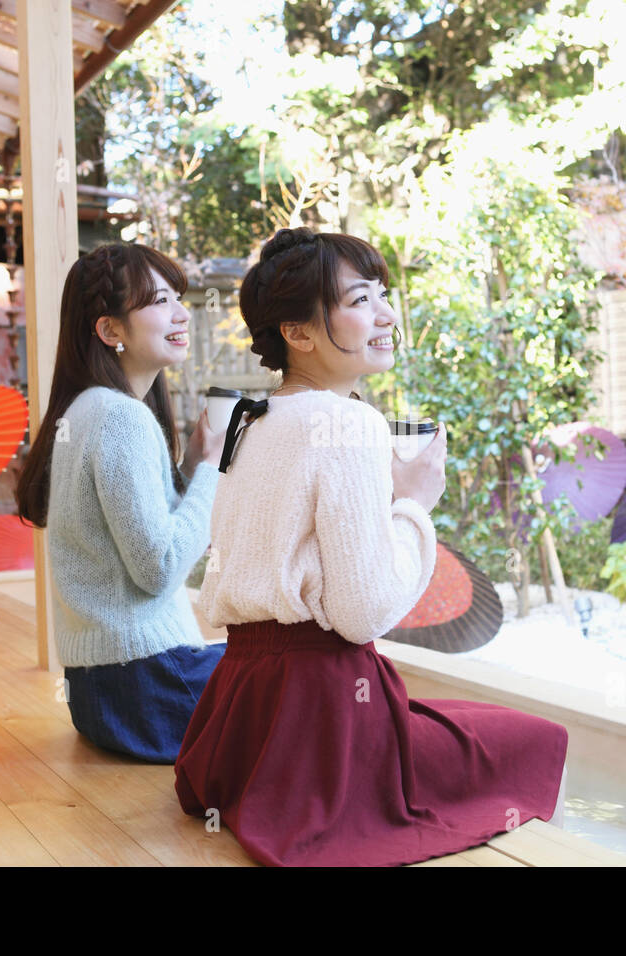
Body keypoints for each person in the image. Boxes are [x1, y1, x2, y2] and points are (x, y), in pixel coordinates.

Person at [174, 227, 568, 866]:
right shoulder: (350, 422)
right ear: (298, 333)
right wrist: (413, 503)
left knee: (464, 718)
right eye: (360, 300)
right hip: (322, 724)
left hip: (238, 717)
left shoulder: (250, 422)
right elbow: (363, 615)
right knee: (535, 738)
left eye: (382, 295)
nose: (387, 314)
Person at [15, 241, 225, 762]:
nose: (180, 313)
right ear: (110, 331)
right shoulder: (121, 419)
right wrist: (215, 473)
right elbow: (158, 568)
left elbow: (128, 533)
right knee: (309, 676)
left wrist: (191, 468)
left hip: (100, 697)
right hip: (152, 688)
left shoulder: (85, 410)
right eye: (157, 302)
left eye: (178, 297)